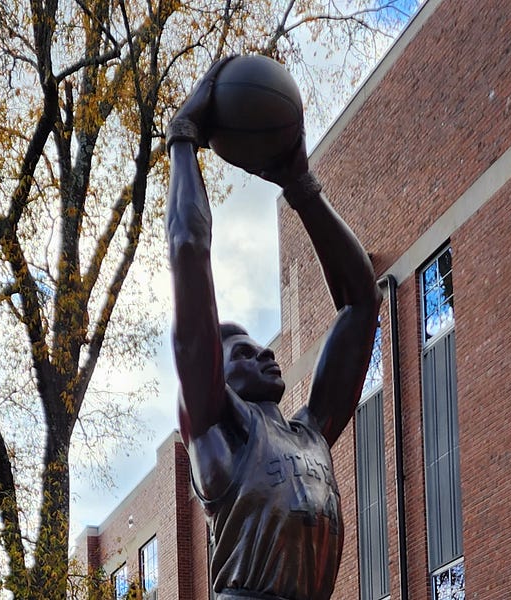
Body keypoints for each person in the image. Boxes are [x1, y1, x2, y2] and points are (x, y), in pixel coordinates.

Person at [165, 58, 381, 600]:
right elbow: (188, 247)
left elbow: (362, 302)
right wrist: (183, 139)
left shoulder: (312, 434)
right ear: (214, 376)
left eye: (261, 347)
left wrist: (301, 187)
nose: (264, 354)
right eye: (242, 353)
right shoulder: (216, 433)